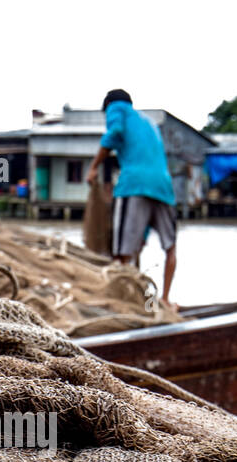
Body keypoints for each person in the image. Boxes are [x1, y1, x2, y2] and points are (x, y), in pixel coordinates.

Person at [86, 89, 178, 308]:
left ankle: (121, 302)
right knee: (170, 248)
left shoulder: (117, 109)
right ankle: (165, 299)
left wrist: (93, 167)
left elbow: (114, 133)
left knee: (121, 253)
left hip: (134, 184)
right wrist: (143, 232)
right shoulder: (150, 124)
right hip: (164, 187)